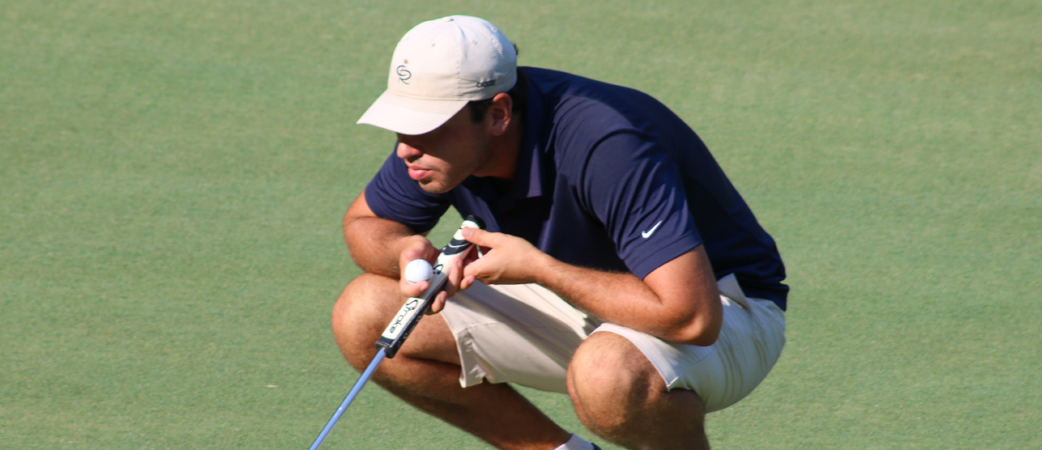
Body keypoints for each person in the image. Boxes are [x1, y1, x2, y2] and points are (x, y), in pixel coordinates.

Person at [333, 15, 788, 450]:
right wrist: (402, 250)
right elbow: (366, 223)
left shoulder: (608, 143)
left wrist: (542, 270)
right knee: (364, 314)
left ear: (498, 114)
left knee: (607, 374)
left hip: (727, 308)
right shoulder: (436, 148)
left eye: (427, 128)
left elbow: (692, 318)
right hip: (579, 299)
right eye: (401, 125)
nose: (406, 149)